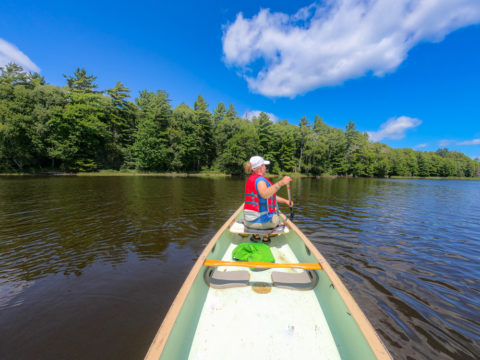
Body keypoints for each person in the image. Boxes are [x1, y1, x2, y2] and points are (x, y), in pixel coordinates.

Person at [243, 156, 293, 233]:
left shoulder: (252, 178)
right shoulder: (260, 181)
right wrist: (281, 183)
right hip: (261, 223)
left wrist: (286, 201)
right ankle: (265, 235)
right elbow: (265, 195)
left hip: (248, 221)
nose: (265, 167)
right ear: (260, 168)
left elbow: (270, 195)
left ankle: (255, 236)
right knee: (276, 214)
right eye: (264, 165)